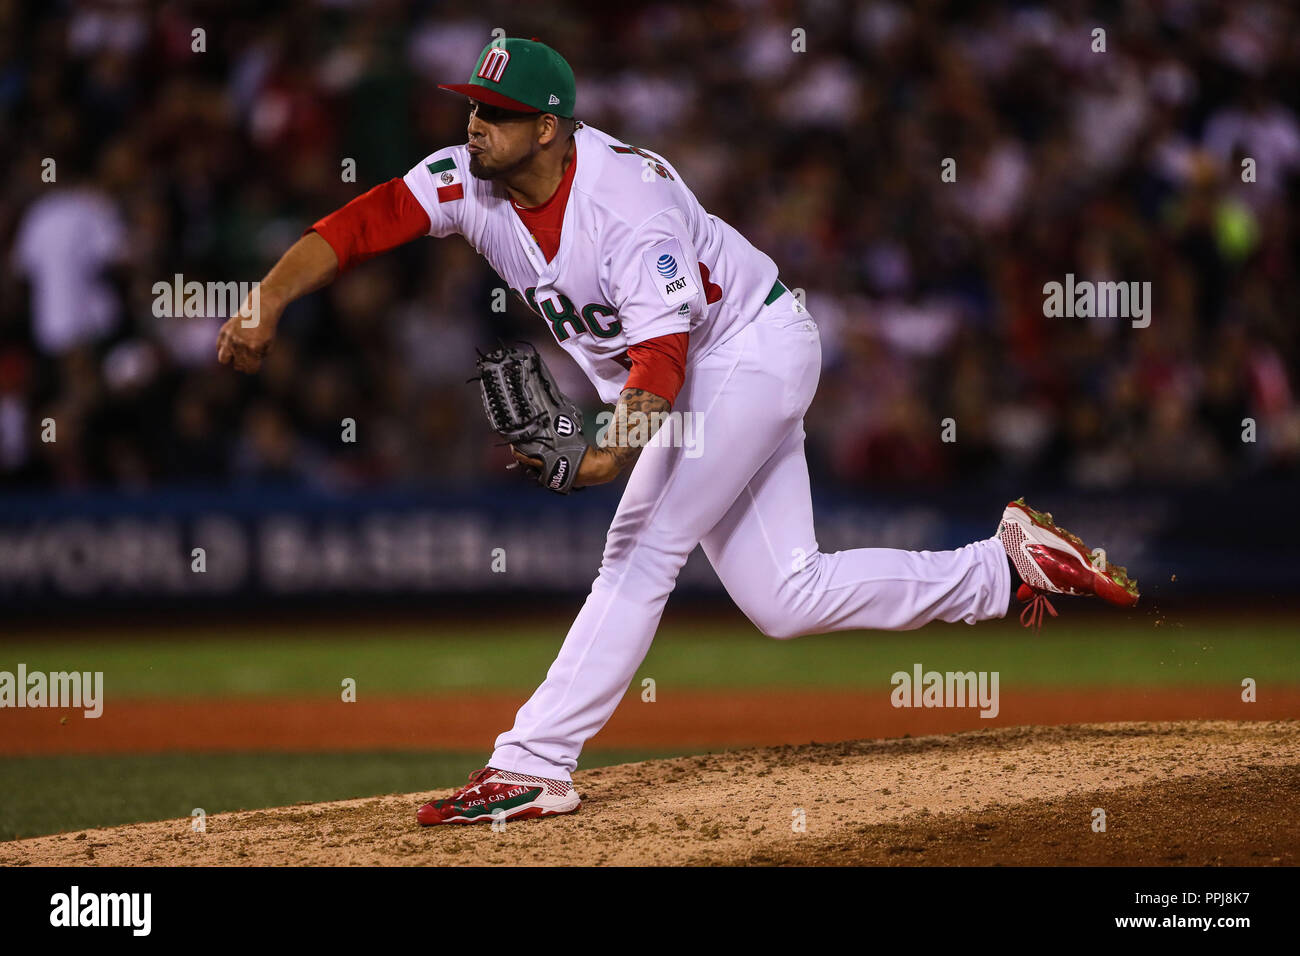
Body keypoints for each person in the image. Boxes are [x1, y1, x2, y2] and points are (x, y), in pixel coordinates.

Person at [216, 38, 1139, 826]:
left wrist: (609, 455)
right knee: (788, 597)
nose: (473, 125)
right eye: (472, 106)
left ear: (549, 127)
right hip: (711, 369)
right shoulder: (473, 181)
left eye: (495, 113)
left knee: (642, 545)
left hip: (747, 352)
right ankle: (1003, 566)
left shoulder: (624, 203)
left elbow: (662, 361)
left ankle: (532, 765)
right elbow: (368, 218)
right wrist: (266, 300)